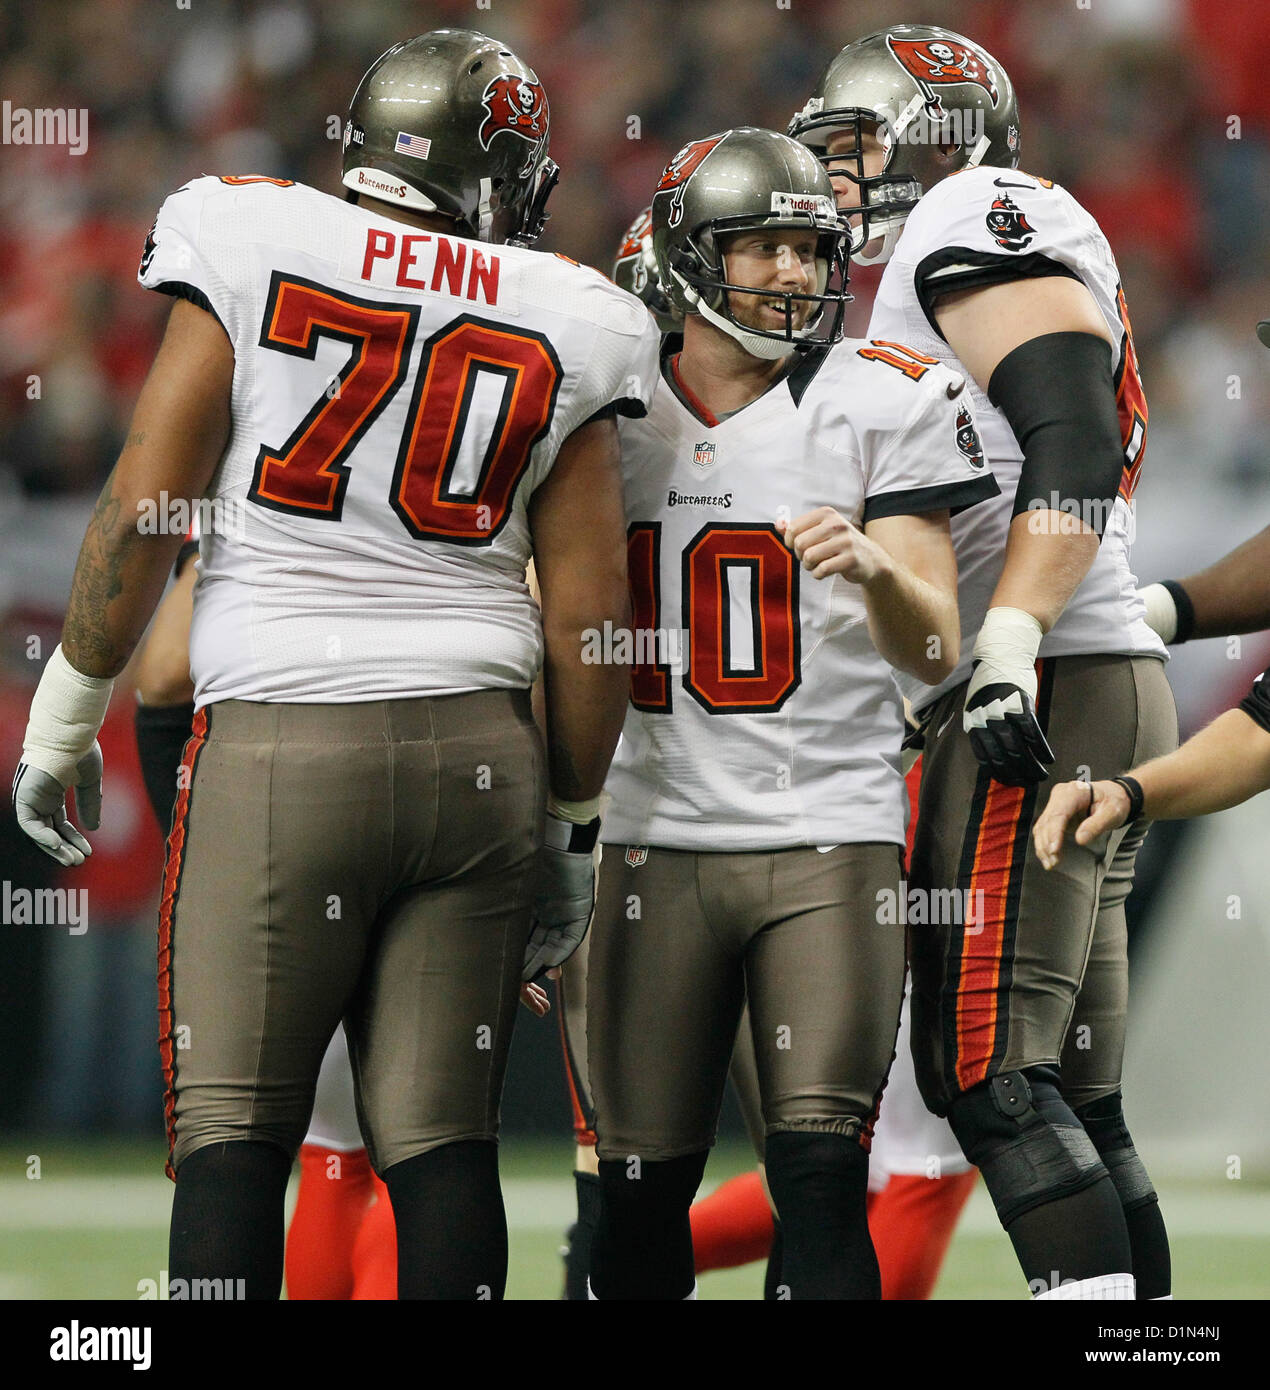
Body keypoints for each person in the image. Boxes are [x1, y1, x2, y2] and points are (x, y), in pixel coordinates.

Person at [12, 28, 659, 1300]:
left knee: (235, 1142)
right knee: (441, 1148)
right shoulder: (574, 313)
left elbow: (149, 498)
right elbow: (591, 623)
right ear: (503, 169)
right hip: (478, 753)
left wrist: (62, 717)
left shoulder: (249, 233)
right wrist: (573, 829)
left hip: (278, 747)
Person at [790, 24, 1176, 1299]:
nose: (838, 177)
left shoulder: (974, 208)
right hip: (1092, 667)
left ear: (936, 138)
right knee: (1076, 1097)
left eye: (857, 145)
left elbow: (1065, 426)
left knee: (992, 1076)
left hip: (1043, 677)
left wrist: (1007, 640)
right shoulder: (965, 231)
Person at [585, 127, 997, 1300]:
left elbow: (934, 648)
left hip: (828, 829)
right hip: (647, 834)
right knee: (634, 1190)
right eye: (760, 244)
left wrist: (872, 570)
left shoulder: (881, 397)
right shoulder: (604, 406)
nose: (792, 272)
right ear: (687, 252)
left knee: (820, 1173)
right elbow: (546, 631)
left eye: (810, 247)